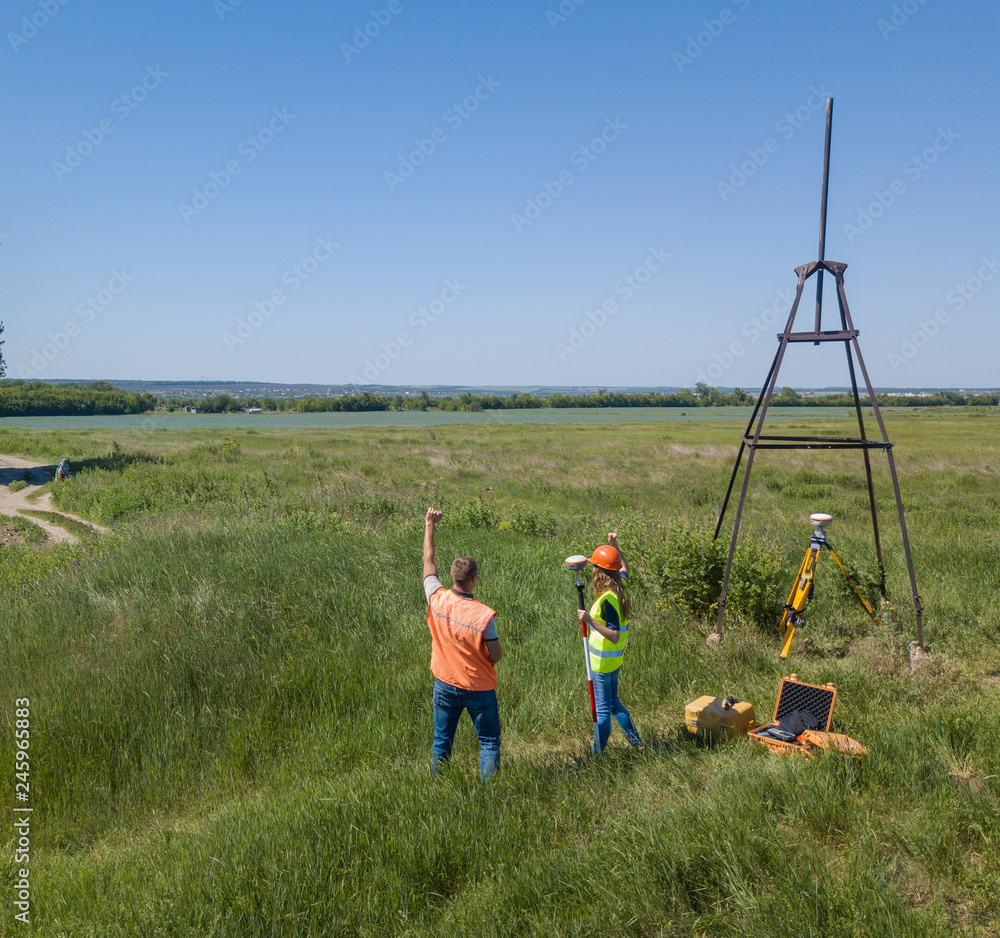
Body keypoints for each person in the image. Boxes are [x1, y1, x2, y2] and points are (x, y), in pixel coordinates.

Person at [422, 507, 504, 779]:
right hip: (478, 686)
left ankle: (436, 786)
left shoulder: (437, 598)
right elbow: (495, 655)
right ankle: (489, 795)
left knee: (442, 742)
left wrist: (429, 524)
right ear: (474, 579)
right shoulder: (484, 615)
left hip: (445, 683)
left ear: (453, 577)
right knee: (489, 742)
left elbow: (428, 559)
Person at [577, 532, 643, 755]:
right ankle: (637, 743)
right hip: (613, 661)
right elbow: (624, 567)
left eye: (594, 567)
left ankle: (596, 755)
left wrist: (590, 620)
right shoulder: (619, 585)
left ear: (599, 572)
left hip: (602, 664)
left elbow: (614, 634)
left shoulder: (607, 600)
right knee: (614, 703)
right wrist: (615, 545)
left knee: (604, 710)